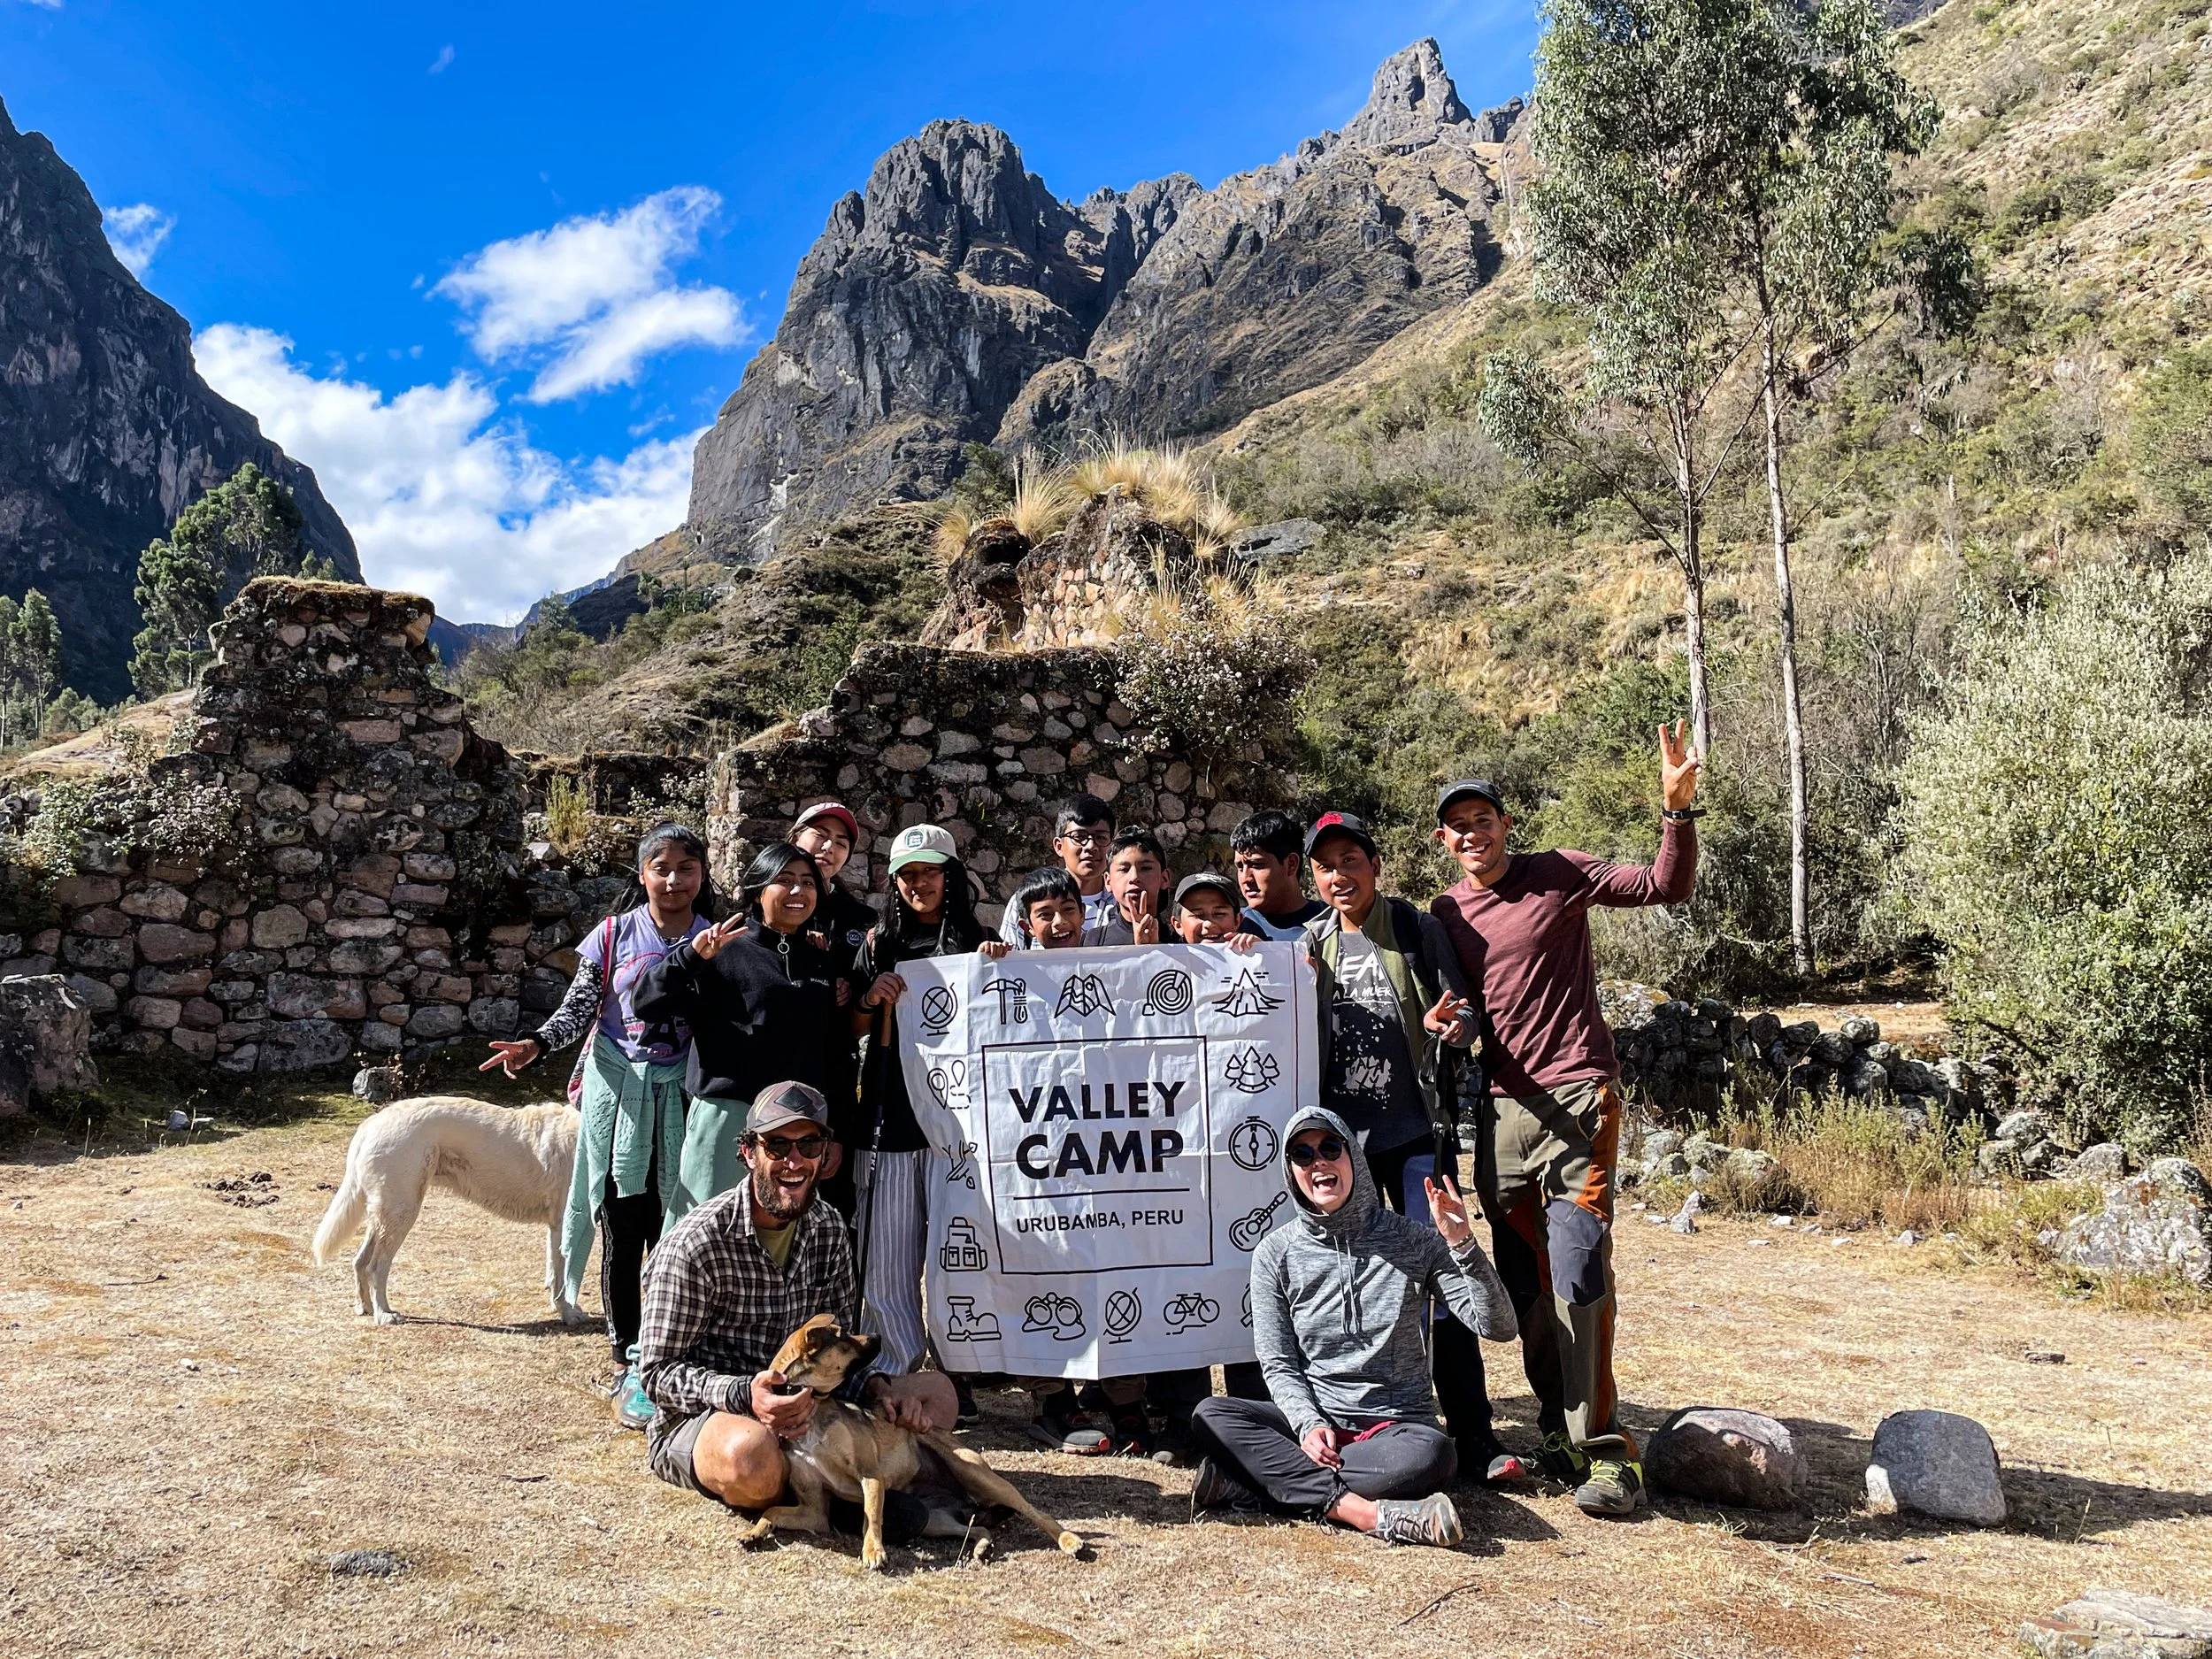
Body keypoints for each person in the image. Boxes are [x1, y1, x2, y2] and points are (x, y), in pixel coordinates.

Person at [1426, 724, 1701, 1517]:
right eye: (1459, 824)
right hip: (1498, 1116)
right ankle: (1559, 1426)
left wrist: (1676, 812)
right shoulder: (1446, 913)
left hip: (1579, 1100)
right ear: (1444, 841)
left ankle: (1610, 1455)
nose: (1474, 832)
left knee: (1580, 1268)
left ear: (1506, 824)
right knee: (1529, 1286)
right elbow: (1469, 1010)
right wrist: (1457, 1026)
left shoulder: (1558, 874)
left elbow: (1664, 887)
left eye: (1485, 818)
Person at [636, 1079, 956, 1540]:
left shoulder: (828, 1228)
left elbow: (839, 1354)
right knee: (751, 1457)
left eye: (810, 1144)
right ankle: (839, 1503)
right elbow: (657, 1374)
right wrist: (746, 1395)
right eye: (778, 1145)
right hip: (717, 1418)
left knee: (938, 1396)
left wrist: (882, 1389)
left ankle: (835, 1495)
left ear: (825, 1155)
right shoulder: (696, 1246)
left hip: (813, 1414)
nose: (794, 1160)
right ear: (749, 1153)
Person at [1305, 809, 1520, 1483]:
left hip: (1415, 1139)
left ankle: (1476, 1436)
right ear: (1312, 875)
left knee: (1443, 1274)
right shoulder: (1313, 946)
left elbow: (1465, 1013)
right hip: (1339, 1153)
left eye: (1351, 861)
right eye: (1326, 865)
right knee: (1353, 1288)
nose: (1340, 875)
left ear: (1375, 865)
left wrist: (1446, 1022)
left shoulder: (1413, 927)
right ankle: (1379, 1423)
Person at [1189, 1109, 1517, 1547]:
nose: (1318, 1162)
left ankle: (1252, 1483)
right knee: (1211, 1415)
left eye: (1330, 1148)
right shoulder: (1275, 1253)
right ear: (1291, 1172)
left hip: (1397, 1430)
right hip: (1315, 1426)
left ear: (1353, 1158)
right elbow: (1278, 1362)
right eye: (1302, 1155)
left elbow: (1499, 1327)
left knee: (1435, 1455)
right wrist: (1306, 1424)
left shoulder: (1415, 1240)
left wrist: (1463, 1245)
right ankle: (1364, 1513)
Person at [480, 822, 713, 1430]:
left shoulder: (716, 940)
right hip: (618, 1103)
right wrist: (536, 1043)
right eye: (660, 866)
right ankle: (626, 1354)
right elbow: (581, 1006)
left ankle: (672, 1345)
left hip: (684, 1101)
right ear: (642, 874)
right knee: (621, 1225)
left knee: (677, 1227)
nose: (672, 878)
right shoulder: (613, 935)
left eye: (685, 867)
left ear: (702, 875)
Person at [849, 825, 1010, 1388]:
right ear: (894, 882)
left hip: (961, 1129)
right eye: (909, 874)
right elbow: (850, 1026)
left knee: (958, 1256)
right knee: (887, 1262)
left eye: (931, 872)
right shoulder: (875, 945)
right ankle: (893, 1369)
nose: (921, 883)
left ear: (951, 876)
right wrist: (872, 997)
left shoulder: (979, 939)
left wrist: (998, 965)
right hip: (890, 1122)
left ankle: (957, 1371)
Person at [633, 842, 856, 1218]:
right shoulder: (721, 951)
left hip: (799, 1126)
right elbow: (647, 1004)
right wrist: (690, 958)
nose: (798, 892)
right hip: (728, 1118)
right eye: (784, 881)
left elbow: (835, 1052)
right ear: (757, 891)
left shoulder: (821, 962)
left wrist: (835, 1133)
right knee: (707, 1228)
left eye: (808, 882)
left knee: (782, 1235)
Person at [999, 795, 1119, 945]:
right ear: (1059, 846)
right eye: (1079, 837)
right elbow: (1009, 963)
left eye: (1101, 837)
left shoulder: (1123, 902)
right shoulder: (1027, 902)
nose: (1090, 846)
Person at [790, 801, 875, 973]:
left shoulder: (862, 919)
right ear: (795, 839)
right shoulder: (767, 905)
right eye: (820, 835)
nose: (829, 847)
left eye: (841, 843)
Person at [1230, 810, 1327, 941]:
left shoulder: (1332, 924)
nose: (1245, 878)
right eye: (1240, 867)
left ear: (1291, 864)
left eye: (1257, 865)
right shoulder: (1231, 927)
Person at [1084, 828, 1170, 946]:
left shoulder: (1183, 942)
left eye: (1145, 868)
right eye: (1124, 870)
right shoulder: (1090, 942)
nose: (1134, 877)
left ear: (1164, 878)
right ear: (1108, 882)